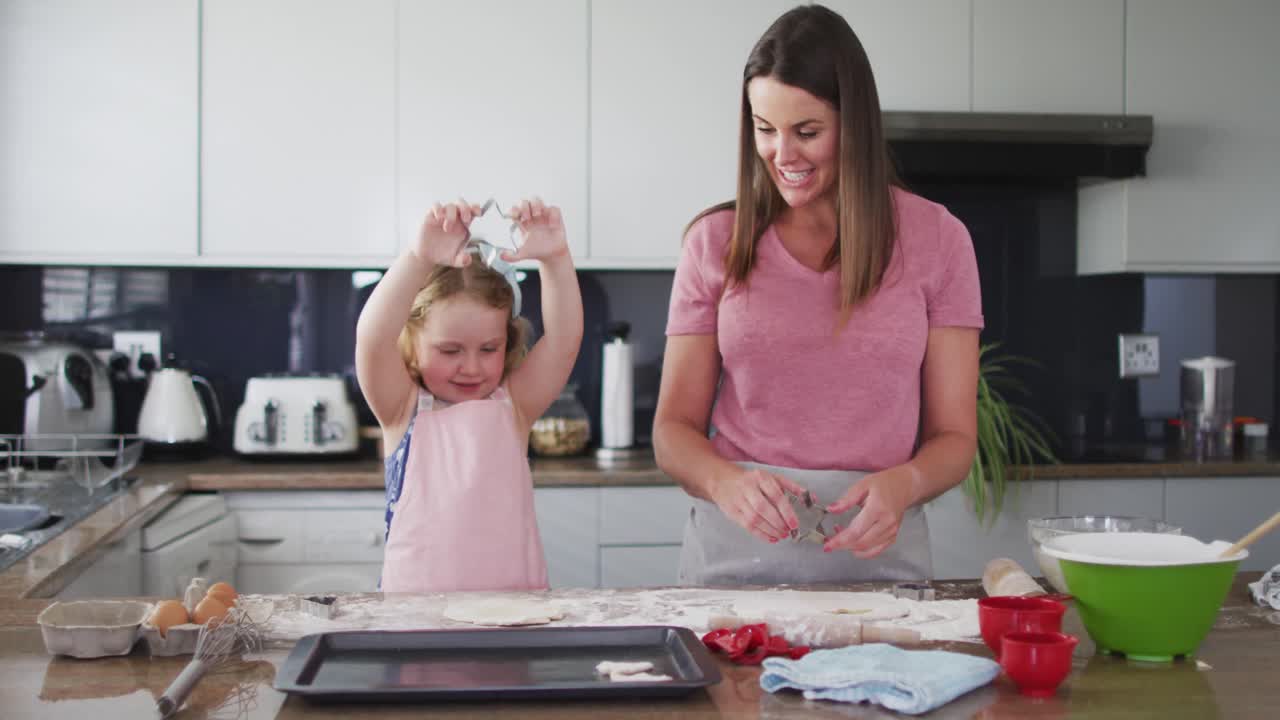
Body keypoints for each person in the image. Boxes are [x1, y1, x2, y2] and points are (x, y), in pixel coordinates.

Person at [654, 4, 984, 585]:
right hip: (733, 565)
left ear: (854, 125)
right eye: (764, 129)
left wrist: (904, 483)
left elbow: (954, 439)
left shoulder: (939, 240)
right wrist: (724, 481)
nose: (783, 155)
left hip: (879, 568)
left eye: (807, 131)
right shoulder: (715, 243)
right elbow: (672, 433)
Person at [356, 197, 583, 592]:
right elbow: (372, 340)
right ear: (411, 340)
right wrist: (417, 257)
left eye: (489, 349)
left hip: (515, 615)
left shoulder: (514, 406)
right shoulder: (400, 409)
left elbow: (564, 340)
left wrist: (556, 259)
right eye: (450, 350)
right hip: (413, 618)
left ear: (507, 342)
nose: (472, 367)